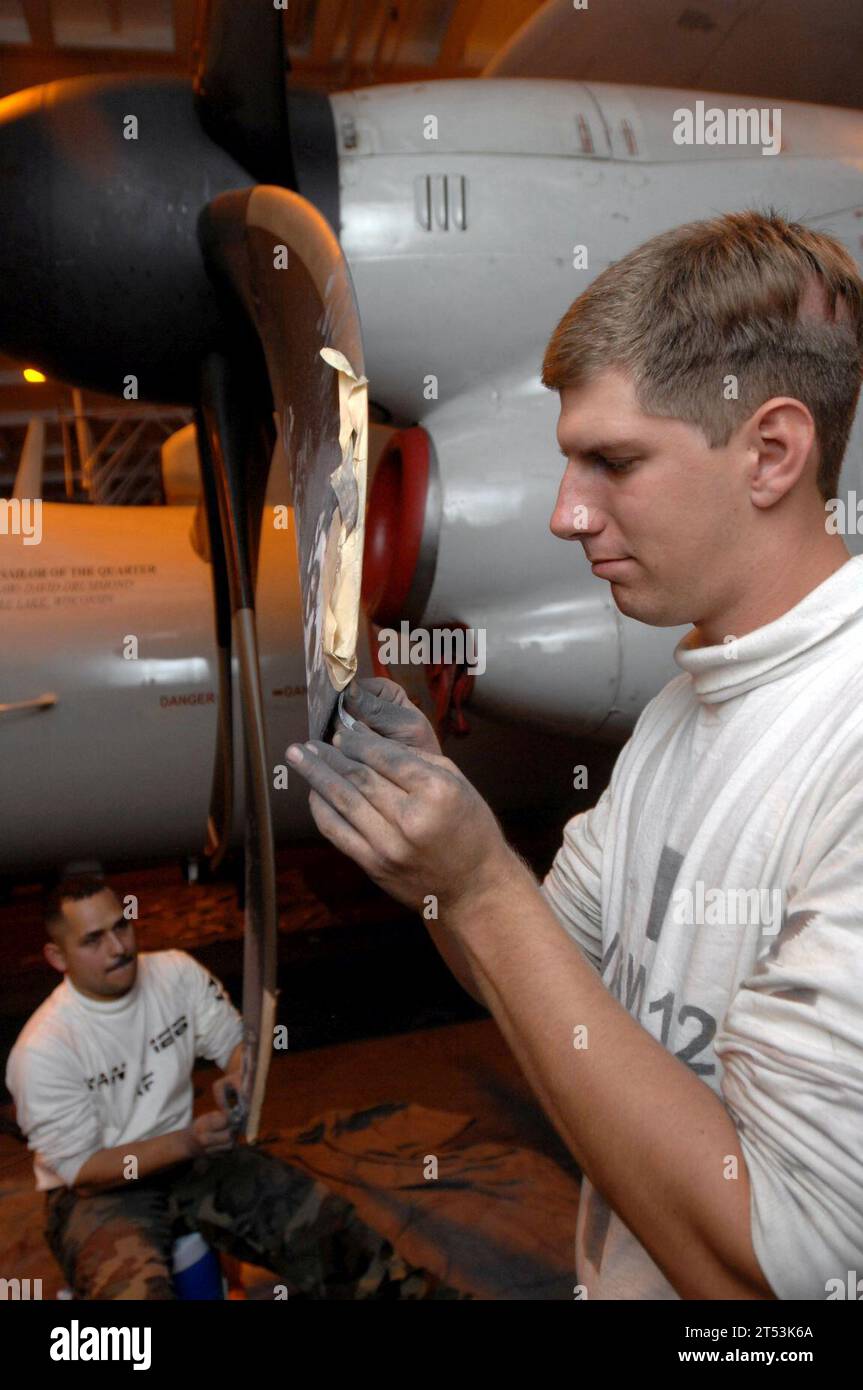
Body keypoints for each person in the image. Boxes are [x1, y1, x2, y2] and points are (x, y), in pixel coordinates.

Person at [286, 208, 863, 1300]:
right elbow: (548, 969)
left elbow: (781, 1269)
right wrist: (436, 852)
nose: (564, 512)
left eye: (612, 460)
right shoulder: (686, 702)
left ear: (772, 453)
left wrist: (482, 885)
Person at [5, 875, 459, 1299]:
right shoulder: (44, 1049)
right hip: (102, 1193)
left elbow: (238, 1046)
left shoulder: (174, 974)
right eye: (93, 940)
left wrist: (238, 1079)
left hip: (190, 1161)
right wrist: (188, 1140)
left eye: (120, 926)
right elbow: (83, 1171)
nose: (118, 947)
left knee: (321, 1223)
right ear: (57, 958)